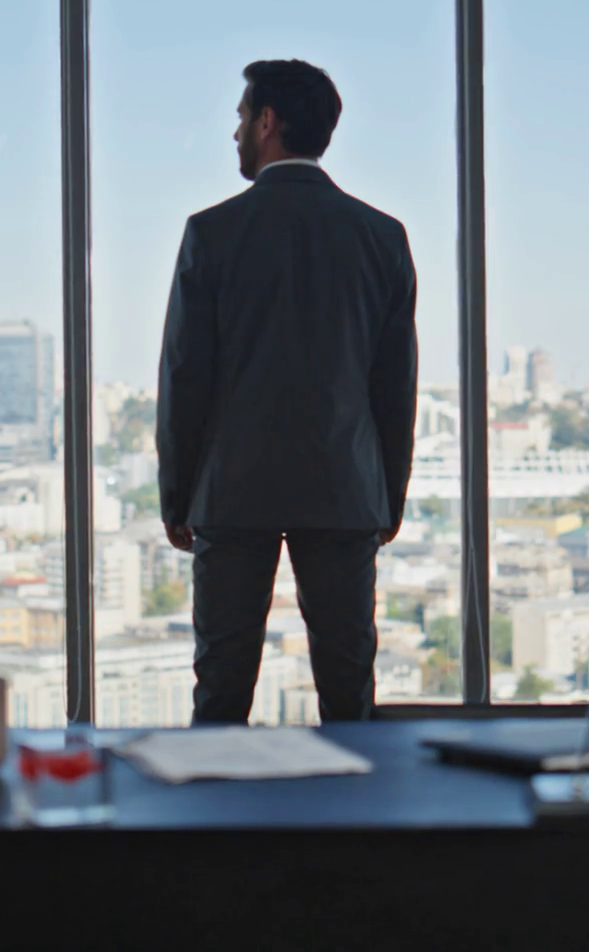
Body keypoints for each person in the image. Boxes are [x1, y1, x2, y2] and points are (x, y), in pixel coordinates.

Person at [157, 59, 417, 725]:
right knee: (347, 684)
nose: (237, 132)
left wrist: (177, 495)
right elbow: (394, 386)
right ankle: (353, 825)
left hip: (232, 488)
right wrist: (389, 494)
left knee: (220, 685)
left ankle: (220, 823)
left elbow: (187, 375)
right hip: (345, 488)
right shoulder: (382, 237)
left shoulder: (211, 234)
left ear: (267, 123)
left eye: (242, 117)